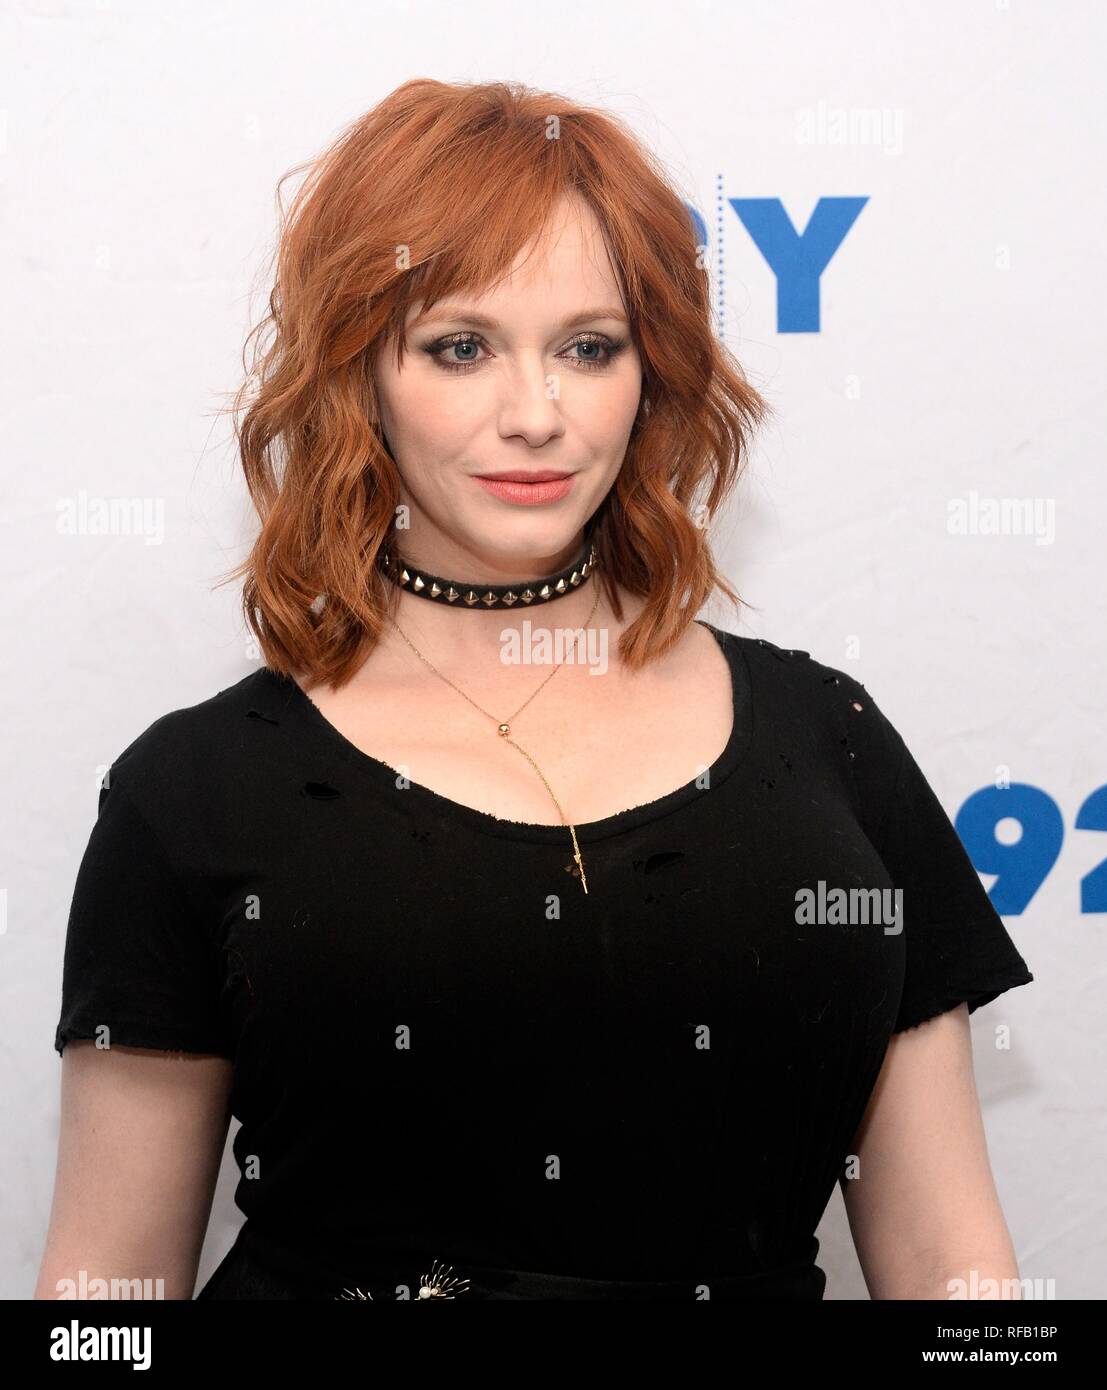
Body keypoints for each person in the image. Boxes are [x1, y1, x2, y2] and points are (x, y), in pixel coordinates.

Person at [37, 78, 1033, 1302]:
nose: (535, 415)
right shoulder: (192, 790)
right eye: (460, 347)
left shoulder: (833, 745)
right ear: (358, 372)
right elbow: (103, 1300)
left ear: (651, 373)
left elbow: (953, 1272)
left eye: (588, 348)